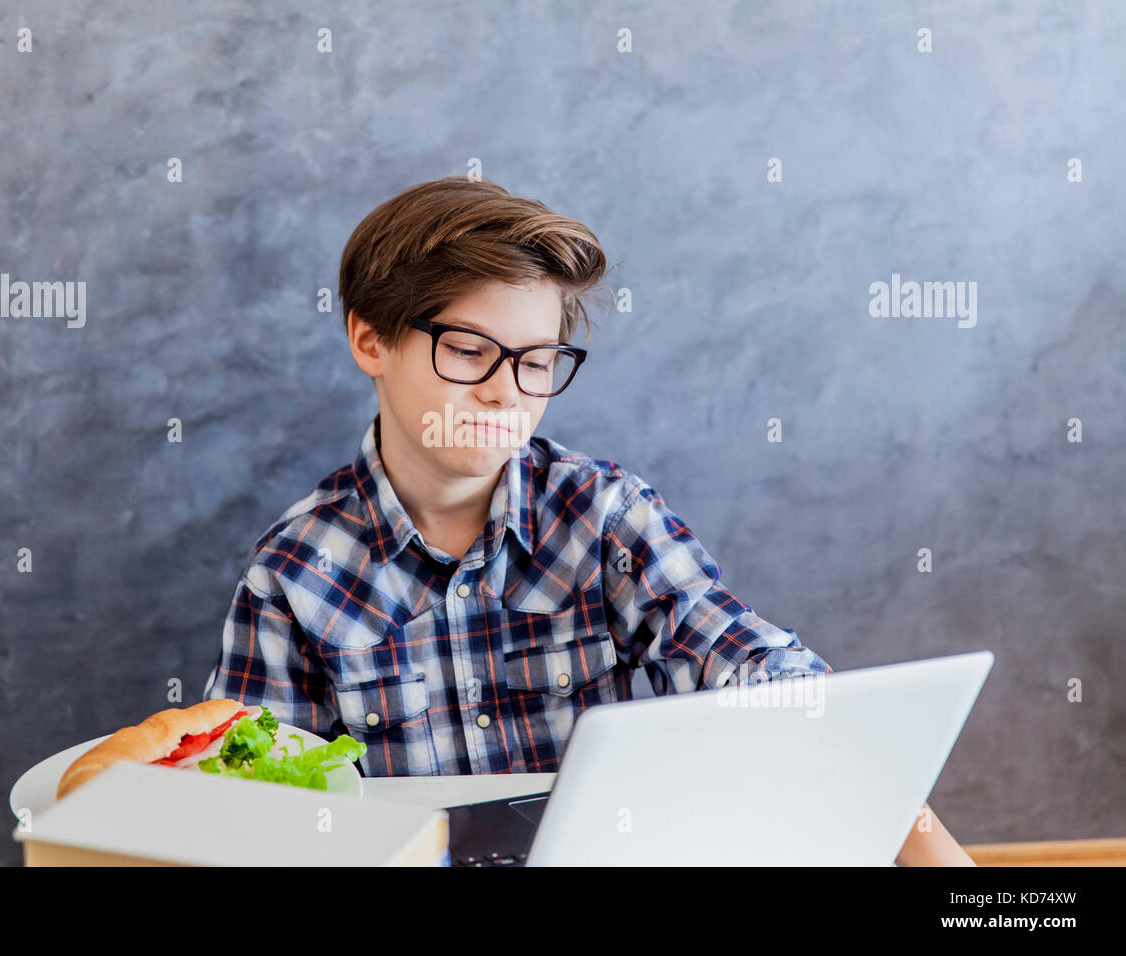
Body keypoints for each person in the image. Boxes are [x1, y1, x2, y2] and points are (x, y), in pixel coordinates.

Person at [203, 175, 974, 866]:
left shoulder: (604, 516)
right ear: (371, 338)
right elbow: (257, 809)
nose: (508, 393)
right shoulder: (292, 574)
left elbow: (761, 676)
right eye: (471, 351)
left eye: (536, 361)